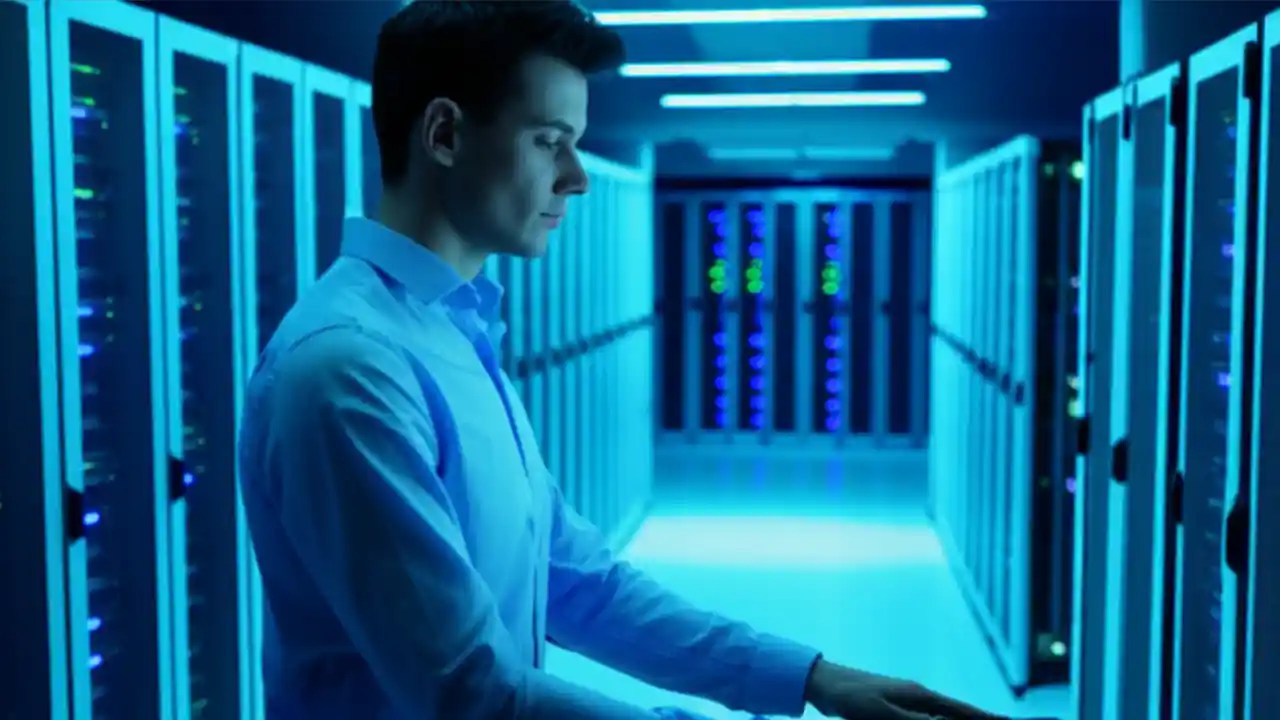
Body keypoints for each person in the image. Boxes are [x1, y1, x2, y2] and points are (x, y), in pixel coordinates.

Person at [236, 2, 1010, 719]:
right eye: (550, 141)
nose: (575, 177)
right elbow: (470, 693)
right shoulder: (349, 370)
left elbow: (578, 581)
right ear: (444, 134)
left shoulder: (454, 333)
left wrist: (812, 679)